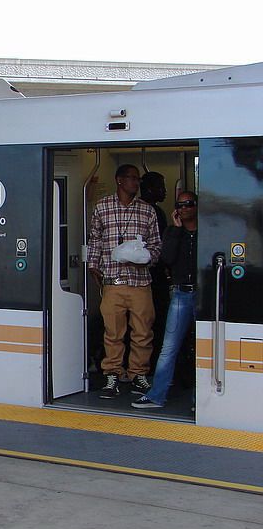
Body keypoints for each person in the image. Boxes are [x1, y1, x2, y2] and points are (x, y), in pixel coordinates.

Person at [88, 164, 162, 399]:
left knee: (143, 331)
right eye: (132, 179)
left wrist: (146, 258)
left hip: (140, 281)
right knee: (113, 332)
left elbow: (157, 245)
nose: (137, 183)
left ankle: (138, 374)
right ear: (119, 180)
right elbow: (95, 239)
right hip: (113, 280)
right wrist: (93, 266)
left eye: (138, 179)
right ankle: (112, 375)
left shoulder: (147, 210)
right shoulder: (103, 206)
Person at [132, 191, 198, 409]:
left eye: (189, 204)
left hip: (204, 295)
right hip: (181, 294)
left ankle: (201, 401)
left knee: (204, 347)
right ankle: (156, 396)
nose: (185, 208)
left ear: (197, 206)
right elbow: (166, 259)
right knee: (169, 347)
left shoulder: (208, 232)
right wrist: (177, 230)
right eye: (180, 205)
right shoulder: (172, 231)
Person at [140, 171, 170, 370]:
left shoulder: (151, 210)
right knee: (154, 321)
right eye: (161, 187)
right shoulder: (153, 212)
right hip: (151, 275)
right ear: (150, 189)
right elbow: (161, 246)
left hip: (150, 273)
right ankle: (151, 364)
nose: (165, 191)